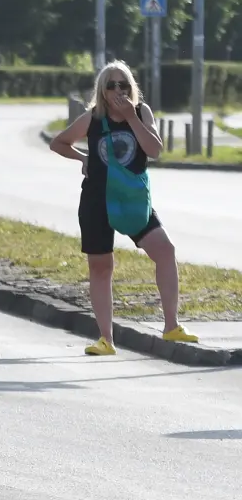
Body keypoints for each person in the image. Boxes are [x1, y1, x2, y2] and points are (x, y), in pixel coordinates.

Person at [48, 61, 197, 355]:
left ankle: (171, 326)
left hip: (132, 199)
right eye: (111, 85)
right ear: (102, 91)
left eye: (124, 85)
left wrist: (131, 117)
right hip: (97, 199)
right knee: (101, 266)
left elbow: (154, 150)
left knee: (165, 250)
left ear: (132, 88)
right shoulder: (93, 118)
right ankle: (106, 339)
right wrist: (83, 158)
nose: (118, 90)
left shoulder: (141, 112)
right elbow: (58, 143)